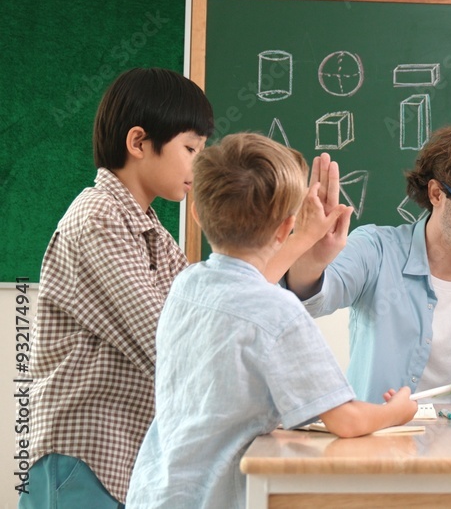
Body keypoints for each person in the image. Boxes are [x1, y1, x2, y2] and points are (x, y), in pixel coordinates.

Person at [126, 134, 417, 508]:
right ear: (284, 228)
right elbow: (346, 420)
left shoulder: (188, 284)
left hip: (155, 492)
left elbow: (245, 290)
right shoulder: (278, 311)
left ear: (196, 212)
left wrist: (306, 236)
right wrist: (396, 412)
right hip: (215, 499)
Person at [22, 68, 214, 508]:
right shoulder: (98, 220)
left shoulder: (152, 232)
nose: (198, 166)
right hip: (81, 462)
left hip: (120, 463)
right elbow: (168, 341)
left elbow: (202, 318)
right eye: (190, 149)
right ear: (138, 143)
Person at [285, 123, 451, 404]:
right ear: (437, 194)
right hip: (383, 439)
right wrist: (310, 259)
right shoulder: (375, 250)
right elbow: (313, 302)